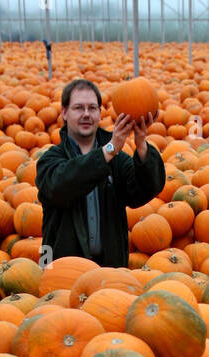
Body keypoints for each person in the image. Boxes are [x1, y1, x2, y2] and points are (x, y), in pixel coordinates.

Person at [35, 78, 166, 269]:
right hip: (63, 270)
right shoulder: (51, 159)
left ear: (100, 113)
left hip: (109, 270)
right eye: (78, 108)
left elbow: (143, 191)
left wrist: (141, 145)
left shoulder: (117, 160)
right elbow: (60, 186)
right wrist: (109, 150)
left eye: (92, 108)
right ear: (64, 112)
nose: (86, 114)